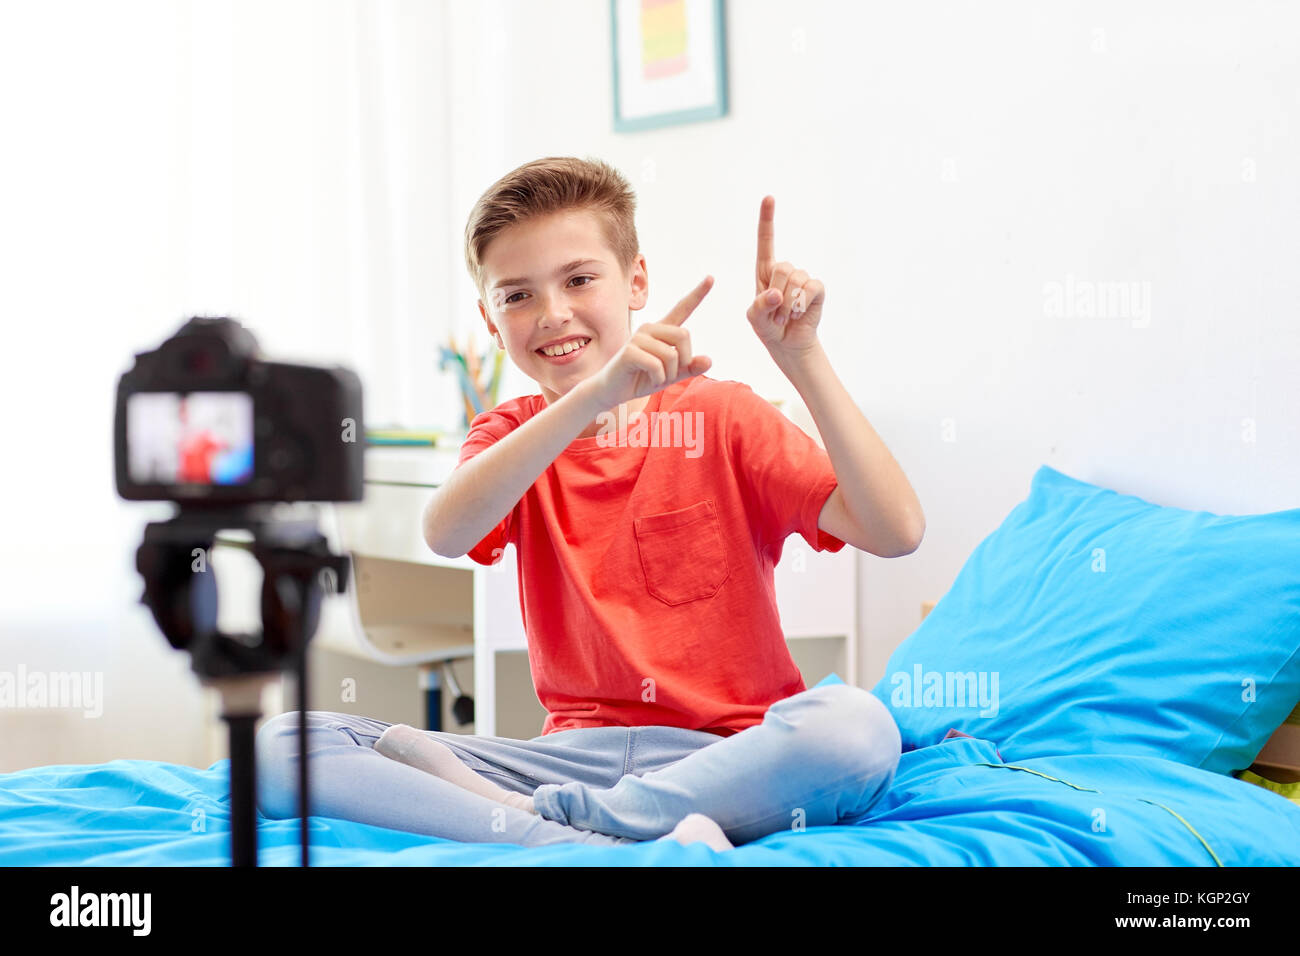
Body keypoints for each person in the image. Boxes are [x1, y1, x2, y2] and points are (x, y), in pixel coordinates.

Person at [256, 156, 925, 852]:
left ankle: (551, 830)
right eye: (517, 296)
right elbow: (446, 532)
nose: (552, 314)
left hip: (728, 757)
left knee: (858, 727)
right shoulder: (511, 435)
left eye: (579, 279)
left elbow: (897, 529)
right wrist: (594, 398)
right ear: (490, 319)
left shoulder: (723, 416)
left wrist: (804, 354)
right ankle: (584, 837)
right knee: (286, 745)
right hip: (567, 758)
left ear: (636, 281)